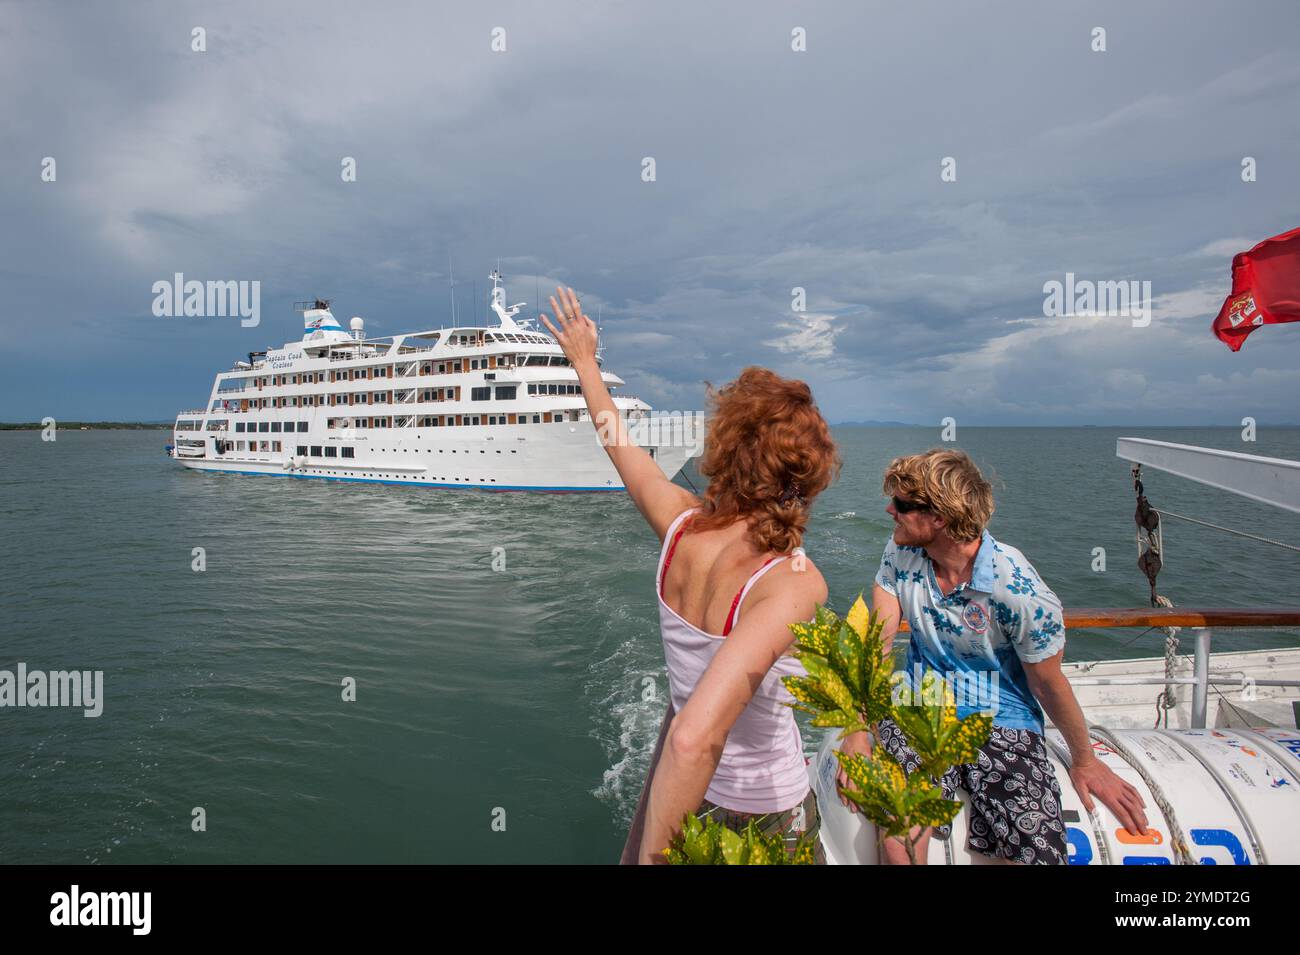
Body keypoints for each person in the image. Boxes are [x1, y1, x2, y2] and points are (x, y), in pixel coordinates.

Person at [540, 287, 841, 864]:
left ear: (725, 448)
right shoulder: (793, 583)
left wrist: (584, 360)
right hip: (764, 814)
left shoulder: (679, 525)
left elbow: (616, 442)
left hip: (687, 803)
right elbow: (693, 737)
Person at [838, 448, 1148, 864]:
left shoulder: (1017, 590)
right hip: (922, 705)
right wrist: (857, 731)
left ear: (940, 519)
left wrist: (1085, 762)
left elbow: (1047, 683)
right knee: (899, 838)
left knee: (1037, 850)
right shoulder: (901, 553)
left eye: (903, 505)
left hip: (1003, 717)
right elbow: (876, 645)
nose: (890, 509)